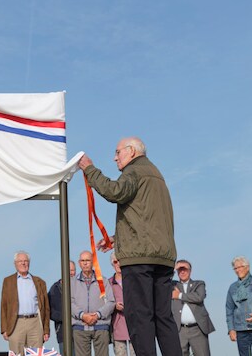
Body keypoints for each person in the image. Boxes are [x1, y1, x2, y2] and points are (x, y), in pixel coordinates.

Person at [78, 136, 182, 356]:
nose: (115, 158)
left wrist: (90, 170)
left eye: (118, 152)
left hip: (139, 260)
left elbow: (115, 191)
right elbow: (148, 219)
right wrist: (118, 238)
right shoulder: (155, 174)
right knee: (163, 317)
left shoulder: (134, 171)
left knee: (139, 316)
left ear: (132, 151)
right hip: (162, 258)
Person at [0, 251, 50, 355]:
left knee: (36, 353)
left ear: (29, 263)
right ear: (15, 264)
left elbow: (46, 308)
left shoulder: (40, 282)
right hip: (16, 323)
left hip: (35, 323)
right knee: (16, 353)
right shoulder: (8, 281)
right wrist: (4, 328)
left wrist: (46, 330)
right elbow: (4, 306)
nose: (23, 263)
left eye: (25, 261)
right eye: (20, 261)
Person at [73, 250, 114, 356]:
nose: (85, 263)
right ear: (79, 263)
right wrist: (82, 315)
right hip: (80, 326)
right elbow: (69, 303)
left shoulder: (103, 281)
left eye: (88, 260)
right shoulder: (72, 282)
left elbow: (111, 301)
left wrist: (97, 315)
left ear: (93, 262)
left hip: (100, 325)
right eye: (82, 261)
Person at [171, 259, 214, 356]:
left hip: (197, 329)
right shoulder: (172, 285)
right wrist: (173, 269)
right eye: (180, 269)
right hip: (179, 330)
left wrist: (179, 295)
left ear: (190, 271)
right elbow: (163, 279)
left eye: (185, 269)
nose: (182, 272)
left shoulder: (199, 284)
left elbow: (199, 297)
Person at [108, 255, 133, 356]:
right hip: (117, 327)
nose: (118, 264)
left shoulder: (134, 281)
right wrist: (114, 306)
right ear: (112, 264)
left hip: (134, 325)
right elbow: (104, 302)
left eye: (120, 261)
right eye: (115, 262)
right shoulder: (108, 283)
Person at [49, 261, 76, 340]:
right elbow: (50, 311)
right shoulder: (55, 289)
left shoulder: (81, 286)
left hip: (80, 333)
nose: (70, 273)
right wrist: (66, 317)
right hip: (63, 332)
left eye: (72, 270)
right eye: (68, 270)